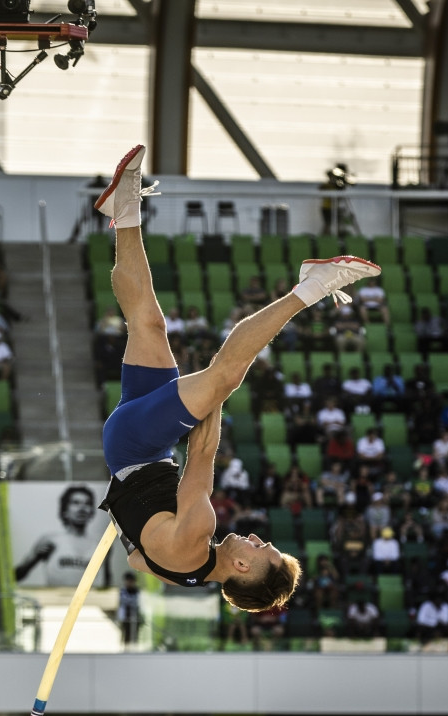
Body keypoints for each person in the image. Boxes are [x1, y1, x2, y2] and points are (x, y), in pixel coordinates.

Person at [93, 145, 376, 608]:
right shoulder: (184, 575)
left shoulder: (199, 534)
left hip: (139, 445)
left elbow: (202, 448)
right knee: (147, 324)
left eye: (262, 548)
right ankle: (124, 211)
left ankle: (313, 286)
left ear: (242, 568)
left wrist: (214, 392)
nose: (257, 538)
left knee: (225, 375)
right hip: (132, 448)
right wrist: (130, 527)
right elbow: (137, 562)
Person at [14, 484, 108, 587]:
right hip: (56, 600)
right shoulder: (51, 540)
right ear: (65, 510)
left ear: (91, 511)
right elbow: (16, 576)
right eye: (75, 503)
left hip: (90, 600)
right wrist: (35, 558)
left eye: (87, 503)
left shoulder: (100, 544)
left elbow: (108, 581)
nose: (82, 508)